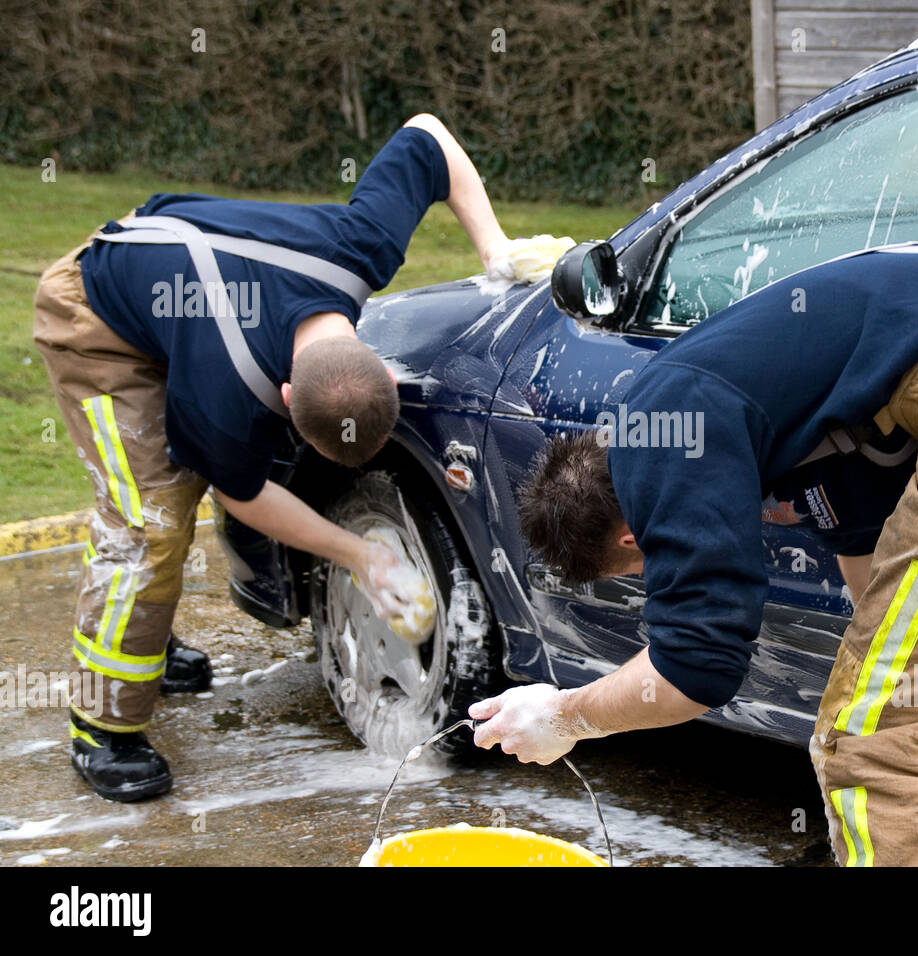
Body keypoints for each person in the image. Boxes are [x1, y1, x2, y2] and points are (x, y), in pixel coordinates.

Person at [469, 242, 918, 866]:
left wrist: (568, 714)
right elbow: (876, 577)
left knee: (877, 746)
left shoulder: (657, 423)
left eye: (642, 568)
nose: (662, 566)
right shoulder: (787, 418)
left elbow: (696, 666)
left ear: (631, 535)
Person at [33, 112, 556, 801]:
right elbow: (241, 491)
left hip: (177, 276)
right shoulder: (227, 388)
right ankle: (102, 722)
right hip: (96, 318)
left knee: (181, 487)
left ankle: (143, 646)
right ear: (282, 395)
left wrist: (496, 251)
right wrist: (359, 553)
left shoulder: (362, 245)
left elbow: (428, 136)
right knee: (150, 523)